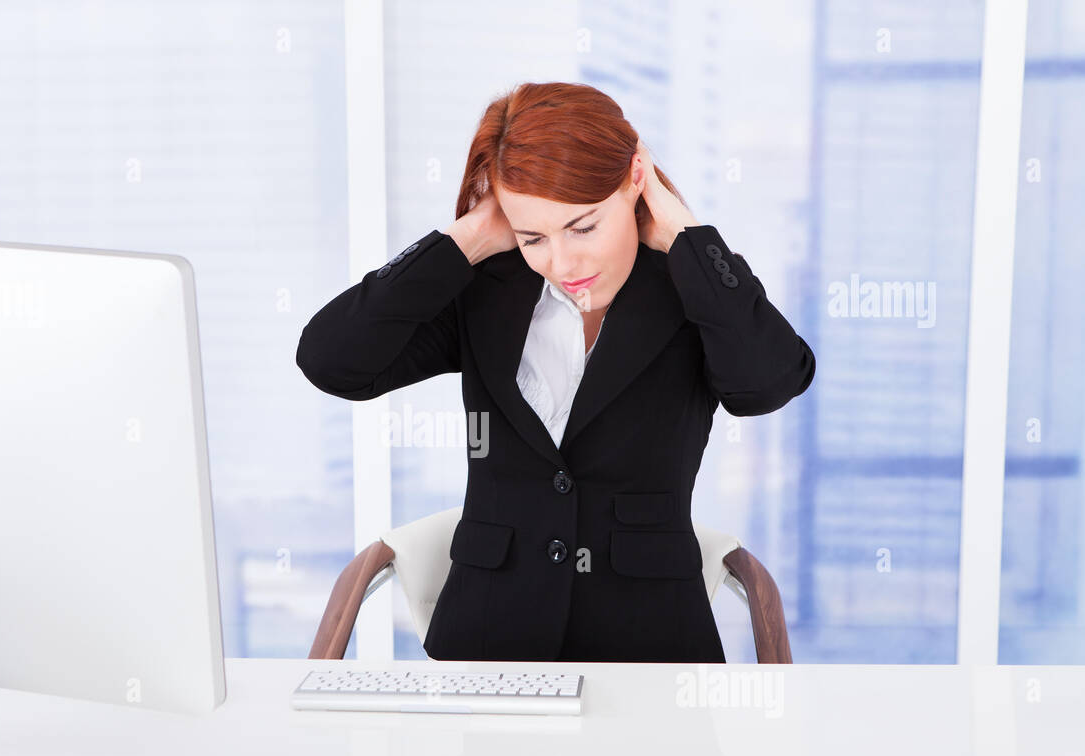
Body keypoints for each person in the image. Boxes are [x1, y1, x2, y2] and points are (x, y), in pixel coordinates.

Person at [296, 81, 815, 662]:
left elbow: (769, 384)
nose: (563, 264)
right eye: (533, 236)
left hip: (652, 645)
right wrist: (463, 240)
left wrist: (689, 239)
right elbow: (331, 360)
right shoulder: (488, 292)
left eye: (583, 227)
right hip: (488, 645)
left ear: (633, 178)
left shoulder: (689, 291)